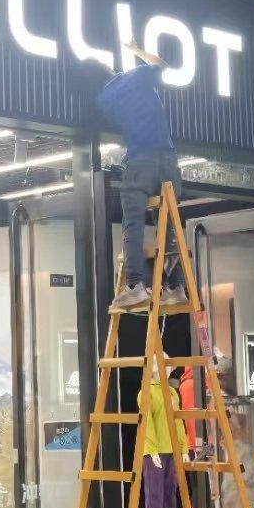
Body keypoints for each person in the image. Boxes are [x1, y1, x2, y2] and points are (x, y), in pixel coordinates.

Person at [97, 42, 186, 311]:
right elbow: (161, 64)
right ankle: (174, 286)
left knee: (133, 223)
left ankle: (135, 285)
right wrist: (137, 49)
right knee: (169, 224)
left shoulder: (104, 98)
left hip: (139, 161)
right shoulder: (137, 76)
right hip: (168, 161)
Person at [141, 364, 188, 508]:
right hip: (155, 453)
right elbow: (147, 423)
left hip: (171, 452)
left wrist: (183, 448)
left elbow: (178, 421)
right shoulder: (147, 392)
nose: (165, 368)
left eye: (168, 365)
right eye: (160, 364)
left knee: (169, 501)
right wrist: (152, 450)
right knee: (155, 501)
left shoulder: (172, 392)